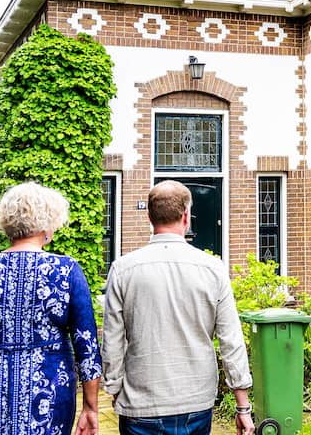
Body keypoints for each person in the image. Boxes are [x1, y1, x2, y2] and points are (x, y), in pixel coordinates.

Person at [0, 182, 102, 435]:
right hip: (50, 399)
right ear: (48, 224)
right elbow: (87, 346)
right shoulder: (66, 271)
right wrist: (90, 407)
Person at [102, 180, 255, 435]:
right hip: (194, 401)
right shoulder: (213, 269)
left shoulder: (123, 269)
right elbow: (231, 340)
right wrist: (243, 407)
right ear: (186, 217)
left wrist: (115, 388)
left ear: (149, 217)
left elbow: (112, 341)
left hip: (140, 403)